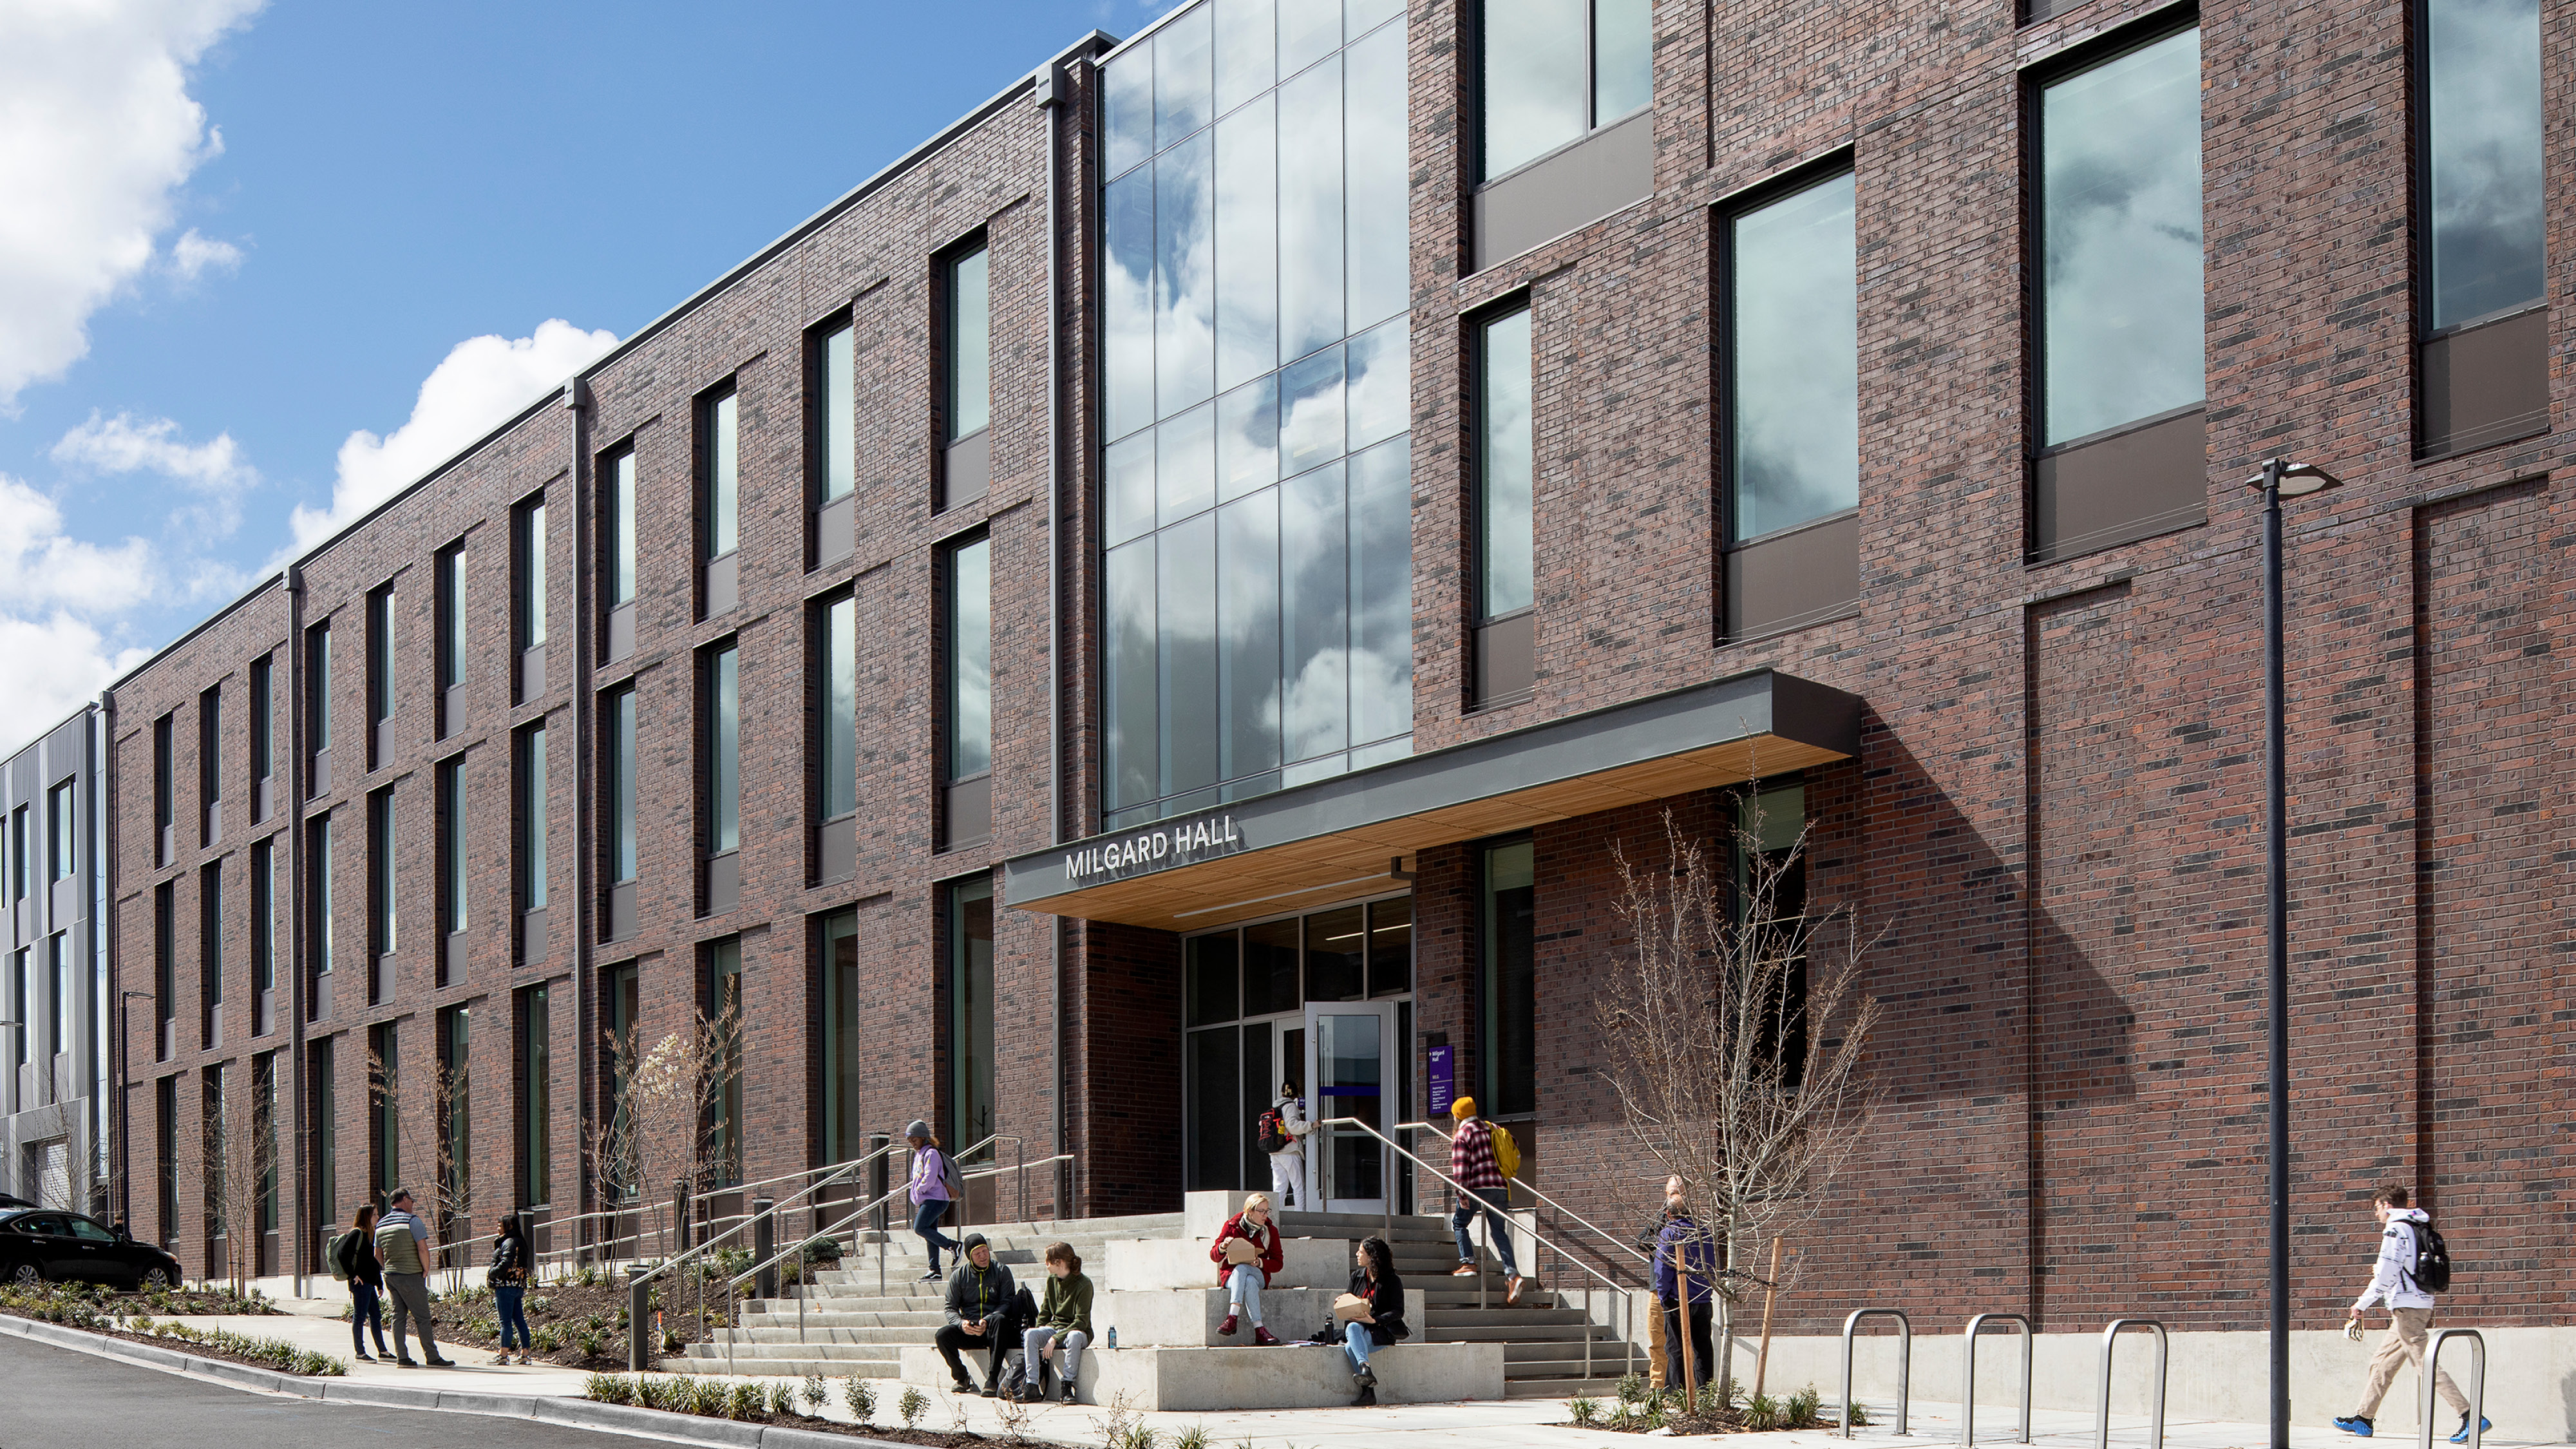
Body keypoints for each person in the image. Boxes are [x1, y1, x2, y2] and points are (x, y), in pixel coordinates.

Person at [2334, 1186, 2485, 1442]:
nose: (2376, 1214)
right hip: (2415, 1305)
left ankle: (2471, 1415)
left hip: (2408, 1308)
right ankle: (2363, 1418)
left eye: (2377, 1208)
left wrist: (2362, 1304)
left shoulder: (2396, 1229)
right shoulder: (2418, 1226)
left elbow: (2386, 1273)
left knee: (2426, 1365)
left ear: (2386, 1205)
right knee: (2382, 1362)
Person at [1444, 1096, 1524, 1304]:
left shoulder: (1463, 1134)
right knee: (1498, 1231)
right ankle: (1513, 1276)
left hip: (1477, 1189)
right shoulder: (1491, 1127)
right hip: (1499, 1187)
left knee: (1459, 1223)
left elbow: (1460, 1169)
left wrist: (1462, 1195)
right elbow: (1513, 1143)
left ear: (1458, 1115)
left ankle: (1468, 1263)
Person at [374, 1188, 454, 1367]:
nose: (412, 1204)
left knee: (398, 1316)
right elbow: (423, 1248)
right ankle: (432, 1356)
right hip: (411, 1275)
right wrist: (426, 1269)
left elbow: (377, 1254)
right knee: (422, 1317)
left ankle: (402, 1357)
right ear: (404, 1200)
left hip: (391, 1275)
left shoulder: (381, 1224)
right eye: (411, 1200)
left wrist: (387, 1267)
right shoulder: (413, 1221)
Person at [934, 1233, 1021, 1395]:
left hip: (994, 1329)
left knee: (1001, 1320)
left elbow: (1007, 1302)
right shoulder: (959, 1276)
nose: (983, 1257)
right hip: (970, 1329)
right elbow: (950, 1308)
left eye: (985, 1251)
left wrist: (987, 1320)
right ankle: (961, 1377)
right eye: (977, 1254)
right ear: (970, 1257)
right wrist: (962, 1324)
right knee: (943, 1335)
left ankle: (993, 1379)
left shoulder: (1002, 1271)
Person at [1653, 1181, 1717, 1399]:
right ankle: (1705, 1393)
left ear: (1669, 1215)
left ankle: (1676, 1396)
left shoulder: (1669, 1234)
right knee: (1703, 1349)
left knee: (1676, 1348)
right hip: (1703, 1299)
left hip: (1677, 1299)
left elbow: (1662, 1271)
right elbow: (1712, 1265)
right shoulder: (1704, 1233)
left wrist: (1664, 1297)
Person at [1020, 1241, 1093, 1405]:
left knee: (1074, 1336)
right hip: (1055, 1328)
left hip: (1078, 1332)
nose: (1046, 1265)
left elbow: (1081, 1322)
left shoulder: (1084, 1284)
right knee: (1030, 1334)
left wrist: (1055, 1339)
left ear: (1059, 1262)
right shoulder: (1051, 1280)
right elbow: (1045, 1312)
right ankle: (1032, 1385)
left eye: (1049, 1261)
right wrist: (1040, 1333)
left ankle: (1067, 1386)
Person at [1209, 1191, 1285, 1345]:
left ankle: (1232, 1318)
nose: (1265, 1215)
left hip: (1259, 1274)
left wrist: (1260, 1263)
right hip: (1233, 1276)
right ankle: (1259, 1330)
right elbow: (1214, 1256)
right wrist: (1223, 1247)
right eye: (1261, 1211)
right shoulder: (1232, 1226)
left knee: (1245, 1270)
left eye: (1267, 1211)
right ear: (1249, 1212)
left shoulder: (1271, 1231)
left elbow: (1278, 1263)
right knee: (1245, 1276)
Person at [1340, 1235, 1408, 1406]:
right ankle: (1366, 1369)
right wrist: (1342, 1303)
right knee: (1354, 1327)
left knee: (1350, 1347)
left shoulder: (1392, 1281)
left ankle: (1368, 1391)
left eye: (1361, 1252)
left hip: (1380, 1330)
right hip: (1357, 1328)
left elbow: (1398, 1311)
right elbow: (1349, 1299)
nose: (1357, 1254)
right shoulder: (1356, 1276)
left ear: (1372, 1257)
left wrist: (1374, 1320)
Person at [906, 1120, 961, 1283]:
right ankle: (935, 1270)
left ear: (923, 1138)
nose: (913, 1144)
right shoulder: (919, 1155)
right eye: (910, 1142)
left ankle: (953, 1245)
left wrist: (919, 1190)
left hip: (935, 1199)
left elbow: (929, 1177)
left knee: (919, 1228)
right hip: (928, 1200)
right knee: (929, 1234)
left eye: (914, 1140)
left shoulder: (931, 1153)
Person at [338, 1204, 393, 1361]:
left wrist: (379, 1284)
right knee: (360, 1317)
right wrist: (353, 1275)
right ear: (366, 1217)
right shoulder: (357, 1233)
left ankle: (382, 1351)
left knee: (376, 1316)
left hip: (370, 1284)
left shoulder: (372, 1234)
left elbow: (373, 1262)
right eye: (374, 1214)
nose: (378, 1217)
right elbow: (343, 1254)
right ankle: (360, 1352)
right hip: (360, 1284)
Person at [489, 1213, 533, 1365]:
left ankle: (503, 1355)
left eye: (500, 1226)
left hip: (505, 1286)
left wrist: (492, 1272)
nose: (498, 1228)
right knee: (519, 1321)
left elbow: (506, 1263)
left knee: (505, 1322)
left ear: (510, 1226)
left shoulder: (508, 1242)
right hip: (518, 1286)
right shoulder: (521, 1241)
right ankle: (525, 1354)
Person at [1261, 1081, 1311, 1209]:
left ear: (1282, 1092)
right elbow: (1293, 1127)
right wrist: (1311, 1125)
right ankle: (1301, 1217)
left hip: (1275, 1152)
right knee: (1298, 1186)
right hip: (1289, 1151)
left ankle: (1275, 1217)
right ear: (1295, 1093)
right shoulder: (1290, 1106)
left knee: (1279, 1188)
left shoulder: (1276, 1107)